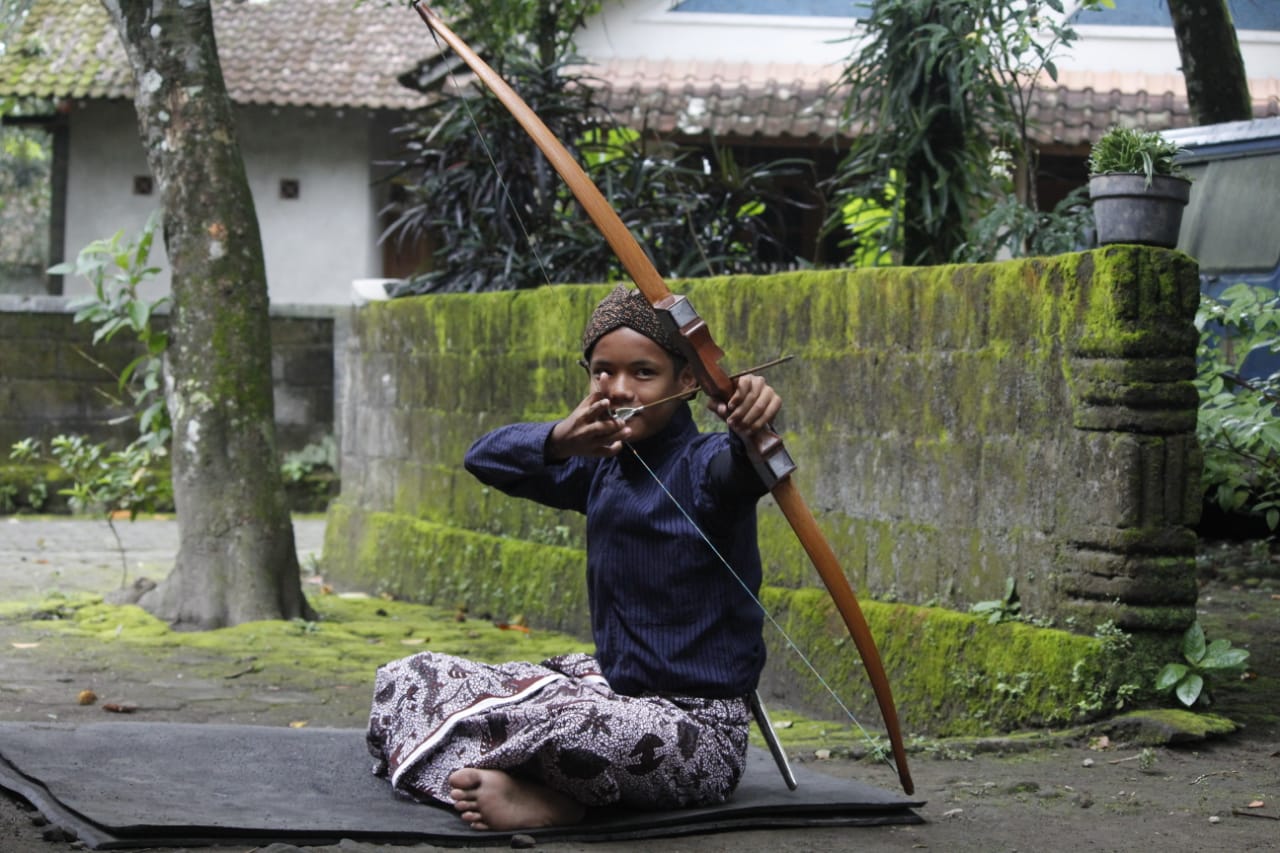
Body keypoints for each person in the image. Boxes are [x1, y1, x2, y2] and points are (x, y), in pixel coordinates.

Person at [366, 284, 782, 831]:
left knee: (579, 731)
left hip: (692, 729)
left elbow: (750, 466)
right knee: (409, 677)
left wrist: (753, 424)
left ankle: (558, 803)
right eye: (602, 371)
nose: (618, 388)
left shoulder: (706, 466)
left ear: (686, 381)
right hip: (604, 689)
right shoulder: (598, 463)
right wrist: (560, 438)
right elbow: (483, 458)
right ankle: (522, 779)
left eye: (642, 372)